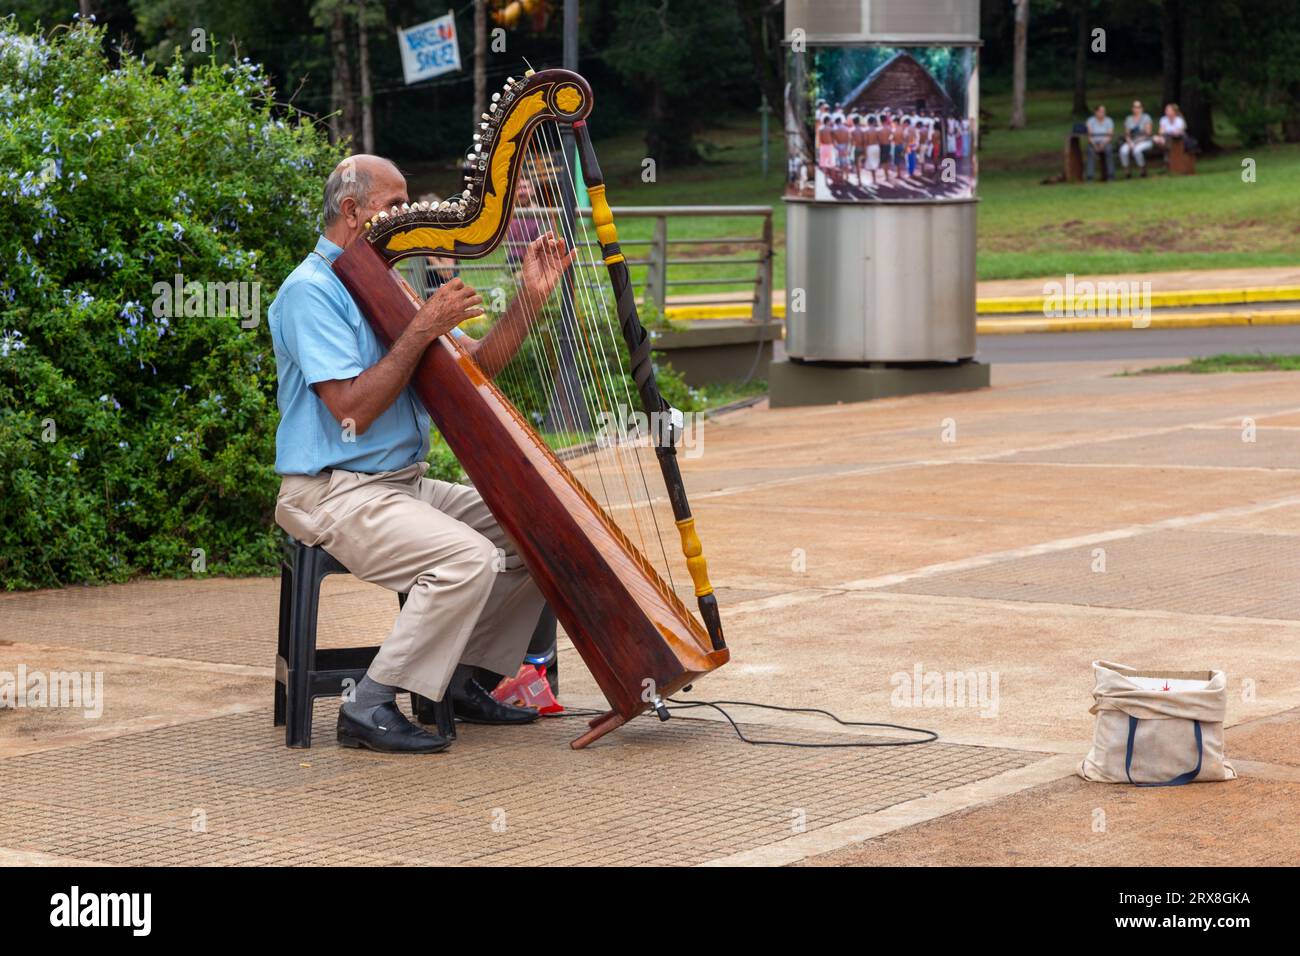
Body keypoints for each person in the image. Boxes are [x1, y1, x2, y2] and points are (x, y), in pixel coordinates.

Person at [269, 155, 574, 754]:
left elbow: (475, 370)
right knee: (468, 558)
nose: (407, 220)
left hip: (402, 484)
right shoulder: (312, 291)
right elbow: (353, 409)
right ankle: (369, 702)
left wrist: (530, 300)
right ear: (352, 211)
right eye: (394, 207)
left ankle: (461, 679)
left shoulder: (389, 285)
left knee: (540, 529)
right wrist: (421, 328)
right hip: (335, 490)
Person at [1119, 100, 1154, 178]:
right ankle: (1127, 172)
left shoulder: (1146, 118)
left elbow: (1148, 133)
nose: (1136, 109)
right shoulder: (1129, 119)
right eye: (1135, 107)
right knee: (1123, 150)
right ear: (1132, 109)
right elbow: (1127, 134)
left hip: (1145, 140)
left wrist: (1137, 142)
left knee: (1137, 150)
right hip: (1132, 141)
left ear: (1142, 108)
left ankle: (1142, 170)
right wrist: (1129, 142)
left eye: (1138, 107)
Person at [1085, 104, 1115, 182]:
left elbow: (1109, 135)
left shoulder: (1109, 121)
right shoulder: (1090, 121)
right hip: (1093, 143)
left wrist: (1102, 144)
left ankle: (1110, 175)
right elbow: (1090, 136)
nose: (1103, 113)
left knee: (1109, 150)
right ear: (1096, 112)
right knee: (1090, 151)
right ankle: (1090, 176)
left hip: (1105, 142)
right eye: (1101, 111)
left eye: (1104, 111)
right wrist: (1095, 145)